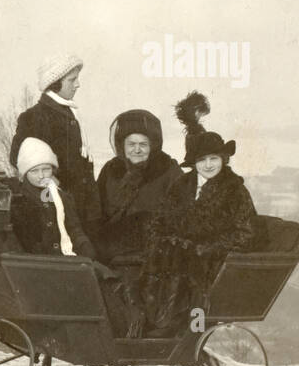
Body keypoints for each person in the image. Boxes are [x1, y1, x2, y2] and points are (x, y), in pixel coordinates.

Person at [136, 92, 258, 337]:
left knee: (186, 268)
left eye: (214, 159)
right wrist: (161, 239)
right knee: (153, 266)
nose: (209, 165)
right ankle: (150, 323)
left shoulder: (234, 190)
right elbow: (161, 218)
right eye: (202, 160)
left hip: (212, 260)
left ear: (223, 160)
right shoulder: (183, 185)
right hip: (178, 254)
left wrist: (206, 248)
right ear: (194, 163)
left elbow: (245, 233)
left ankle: (180, 329)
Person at [9, 55, 100, 236]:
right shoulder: (35, 116)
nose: (77, 84)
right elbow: (17, 157)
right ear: (55, 83)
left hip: (81, 207)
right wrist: (50, 179)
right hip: (54, 206)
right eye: (72, 80)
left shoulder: (69, 112)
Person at [93, 109, 183, 262]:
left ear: (152, 146)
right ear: (123, 146)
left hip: (152, 255)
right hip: (112, 254)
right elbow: (96, 209)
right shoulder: (111, 169)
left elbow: (180, 212)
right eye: (131, 144)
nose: (137, 150)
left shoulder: (168, 169)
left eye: (143, 144)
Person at [8, 137, 97, 259]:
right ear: (25, 173)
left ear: (53, 169)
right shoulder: (18, 199)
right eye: (34, 171)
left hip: (62, 258)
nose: (41, 176)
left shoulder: (62, 197)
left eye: (46, 169)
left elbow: (74, 229)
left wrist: (84, 246)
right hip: (32, 260)